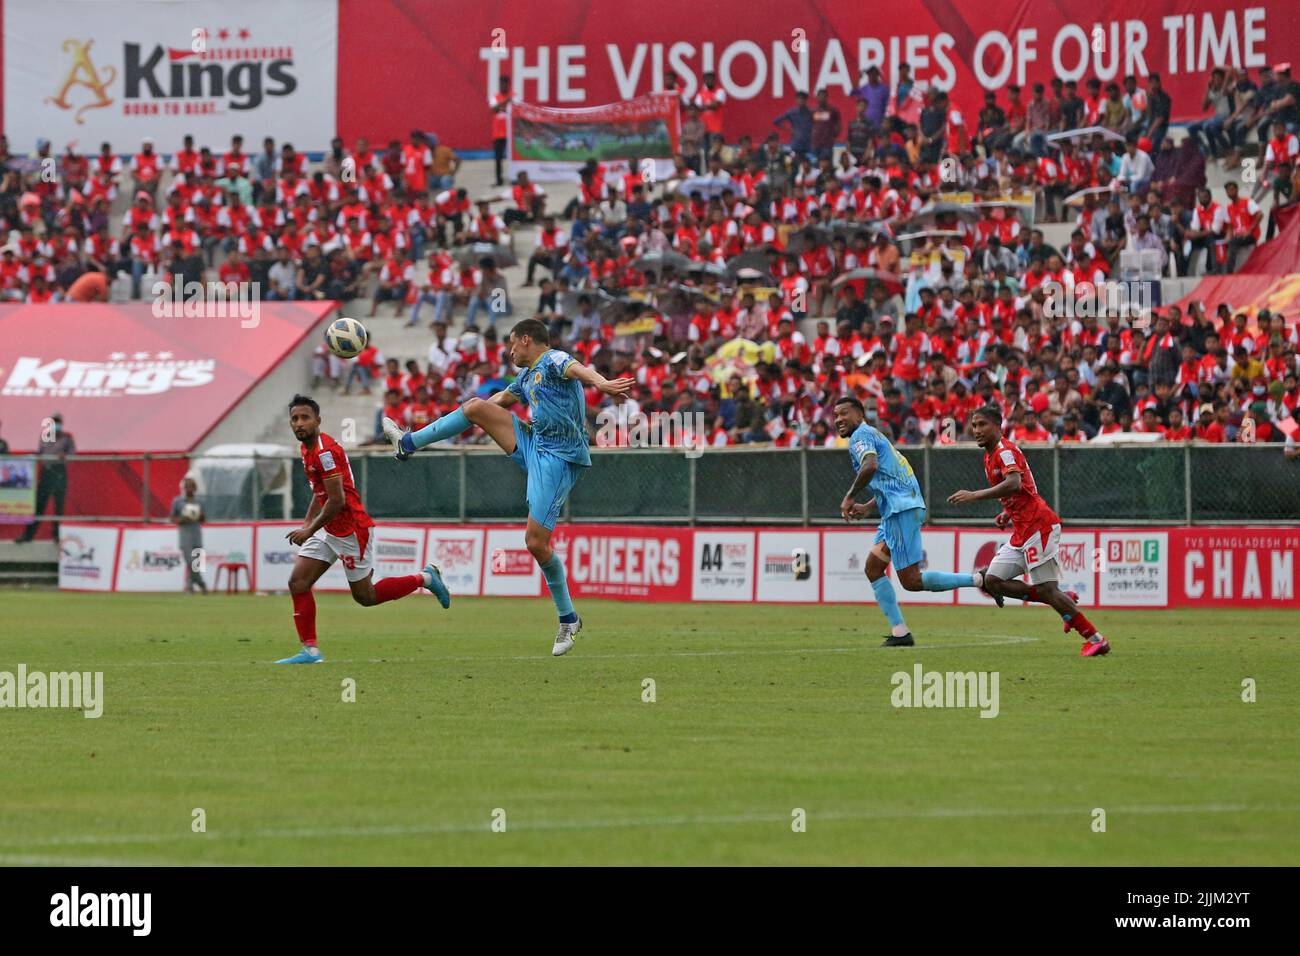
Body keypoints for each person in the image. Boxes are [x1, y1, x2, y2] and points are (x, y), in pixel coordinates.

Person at [382, 319, 634, 656]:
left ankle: (569, 619)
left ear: (526, 340)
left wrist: (602, 383)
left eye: (512, 344)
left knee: (535, 543)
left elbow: (577, 369)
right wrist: (473, 417)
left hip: (559, 459)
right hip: (534, 444)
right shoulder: (528, 376)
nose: (510, 351)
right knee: (473, 406)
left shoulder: (554, 359)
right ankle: (408, 442)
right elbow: (501, 399)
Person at [278, 395, 450, 665]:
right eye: (295, 419)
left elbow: (337, 501)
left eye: (305, 418)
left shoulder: (325, 452)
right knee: (298, 583)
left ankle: (426, 578)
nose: (299, 423)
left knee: (366, 597)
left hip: (350, 529)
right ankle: (310, 652)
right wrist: (307, 524)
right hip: (328, 527)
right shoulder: (306, 448)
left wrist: (309, 530)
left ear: (318, 421)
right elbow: (320, 491)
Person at [947, 405, 1111, 657]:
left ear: (998, 427)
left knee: (1046, 589)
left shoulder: (1004, 451)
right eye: (974, 425)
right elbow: (1022, 489)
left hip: (1038, 525)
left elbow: (1014, 483)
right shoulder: (989, 455)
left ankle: (1095, 637)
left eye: (982, 425)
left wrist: (975, 495)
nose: (976, 430)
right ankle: (1060, 599)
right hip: (1021, 529)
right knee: (993, 581)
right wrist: (1007, 512)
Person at [832, 396, 987, 648]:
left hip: (900, 510)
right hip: (897, 508)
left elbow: (870, 466)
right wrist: (869, 506)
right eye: (835, 415)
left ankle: (980, 580)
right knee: (873, 568)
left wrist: (849, 497)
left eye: (844, 413)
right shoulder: (873, 435)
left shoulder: (861, 436)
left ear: (859, 415)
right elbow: (890, 477)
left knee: (911, 580)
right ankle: (900, 632)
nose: (839, 419)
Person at [16, 413, 75, 544]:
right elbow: (41, 452)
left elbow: (72, 454)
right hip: (46, 472)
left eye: (58, 423)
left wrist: (64, 455)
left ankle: (57, 536)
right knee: (39, 505)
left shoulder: (67, 438)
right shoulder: (45, 436)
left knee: (58, 506)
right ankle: (28, 535)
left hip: (59, 472)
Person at [170, 477, 208, 595]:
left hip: (197, 534)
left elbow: (203, 519)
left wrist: (200, 515)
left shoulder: (199, 502)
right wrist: (181, 519)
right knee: (190, 561)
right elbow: (172, 517)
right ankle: (202, 583)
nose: (187, 489)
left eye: (190, 486)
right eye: (186, 487)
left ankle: (190, 587)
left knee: (197, 564)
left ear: (194, 488)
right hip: (185, 535)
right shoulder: (178, 501)